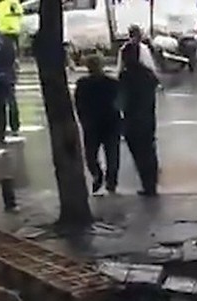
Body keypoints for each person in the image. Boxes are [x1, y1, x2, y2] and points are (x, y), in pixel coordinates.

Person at [118, 25, 160, 196]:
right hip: (148, 118)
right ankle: (152, 183)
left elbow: (120, 102)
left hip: (132, 121)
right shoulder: (148, 76)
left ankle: (146, 183)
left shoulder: (125, 77)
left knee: (139, 154)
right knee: (149, 150)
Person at [73, 54, 120, 194]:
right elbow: (120, 102)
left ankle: (98, 175)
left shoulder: (82, 84)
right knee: (112, 154)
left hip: (92, 124)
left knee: (91, 155)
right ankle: (111, 181)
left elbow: (78, 104)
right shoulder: (112, 83)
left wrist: (83, 120)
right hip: (110, 122)